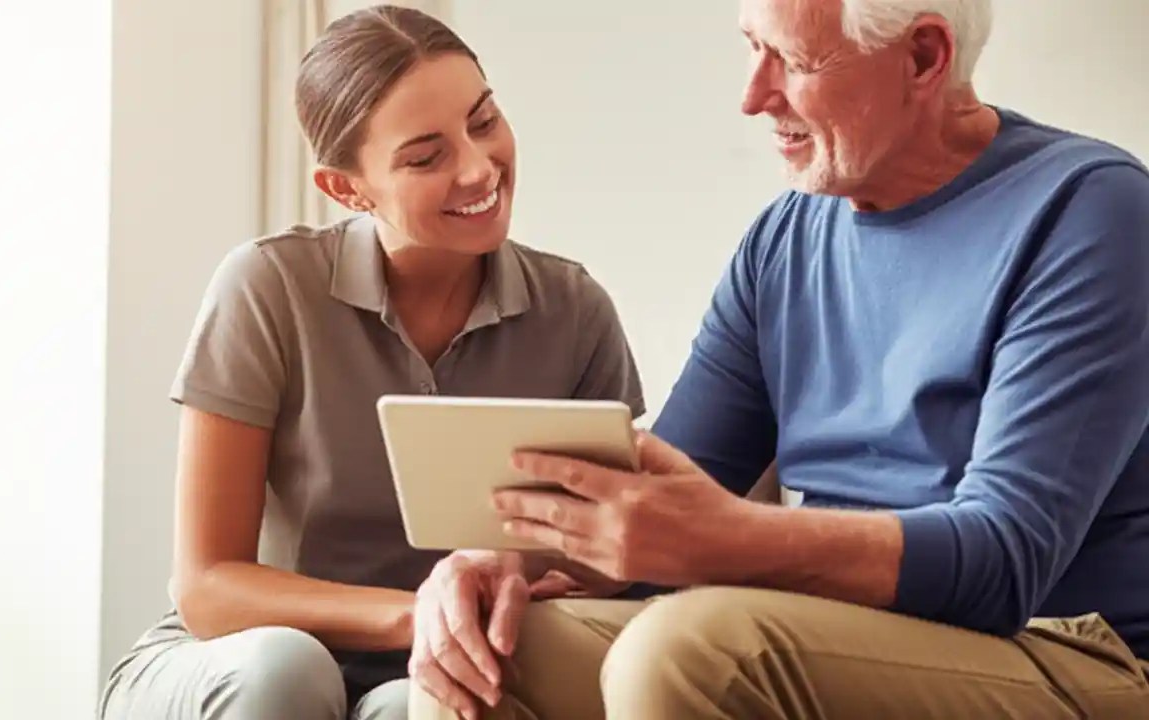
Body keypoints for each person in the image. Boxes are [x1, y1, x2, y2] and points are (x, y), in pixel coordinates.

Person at [409, 0, 1149, 718]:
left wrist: (728, 539)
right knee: (481, 657)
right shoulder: (786, 238)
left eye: (792, 61)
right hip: (837, 633)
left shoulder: (1089, 212)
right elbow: (667, 485)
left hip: (1067, 647)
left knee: (687, 650)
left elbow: (1004, 560)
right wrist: (506, 560)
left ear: (924, 58)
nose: (753, 96)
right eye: (750, 47)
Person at [96, 6, 644, 720]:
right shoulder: (268, 289)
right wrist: (418, 614)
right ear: (346, 189)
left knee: (417, 710)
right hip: (233, 660)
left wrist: (515, 592)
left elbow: (608, 550)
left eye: (483, 121)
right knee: (288, 669)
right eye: (425, 156)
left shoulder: (574, 311)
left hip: (426, 672)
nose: (478, 167)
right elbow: (206, 587)